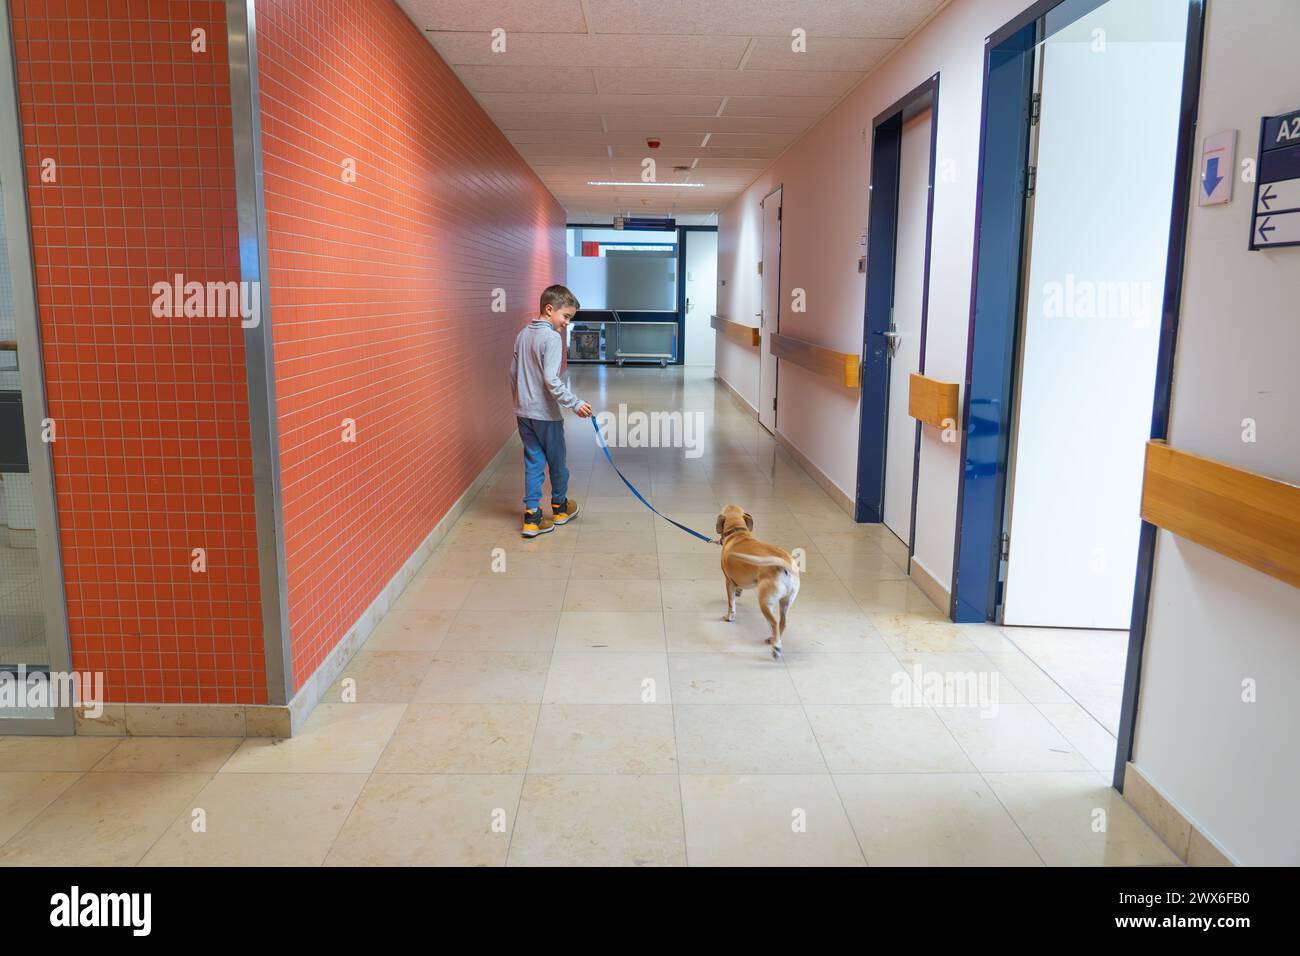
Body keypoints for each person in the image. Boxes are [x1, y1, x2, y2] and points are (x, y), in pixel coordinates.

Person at [510, 284, 594, 537]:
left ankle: (532, 517)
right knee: (557, 463)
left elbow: (513, 373)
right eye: (566, 316)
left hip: (524, 412)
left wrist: (520, 400)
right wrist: (575, 403)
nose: (567, 323)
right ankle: (559, 508)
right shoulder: (552, 337)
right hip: (546, 414)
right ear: (549, 309)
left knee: (533, 462)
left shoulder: (523, 334)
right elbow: (551, 379)